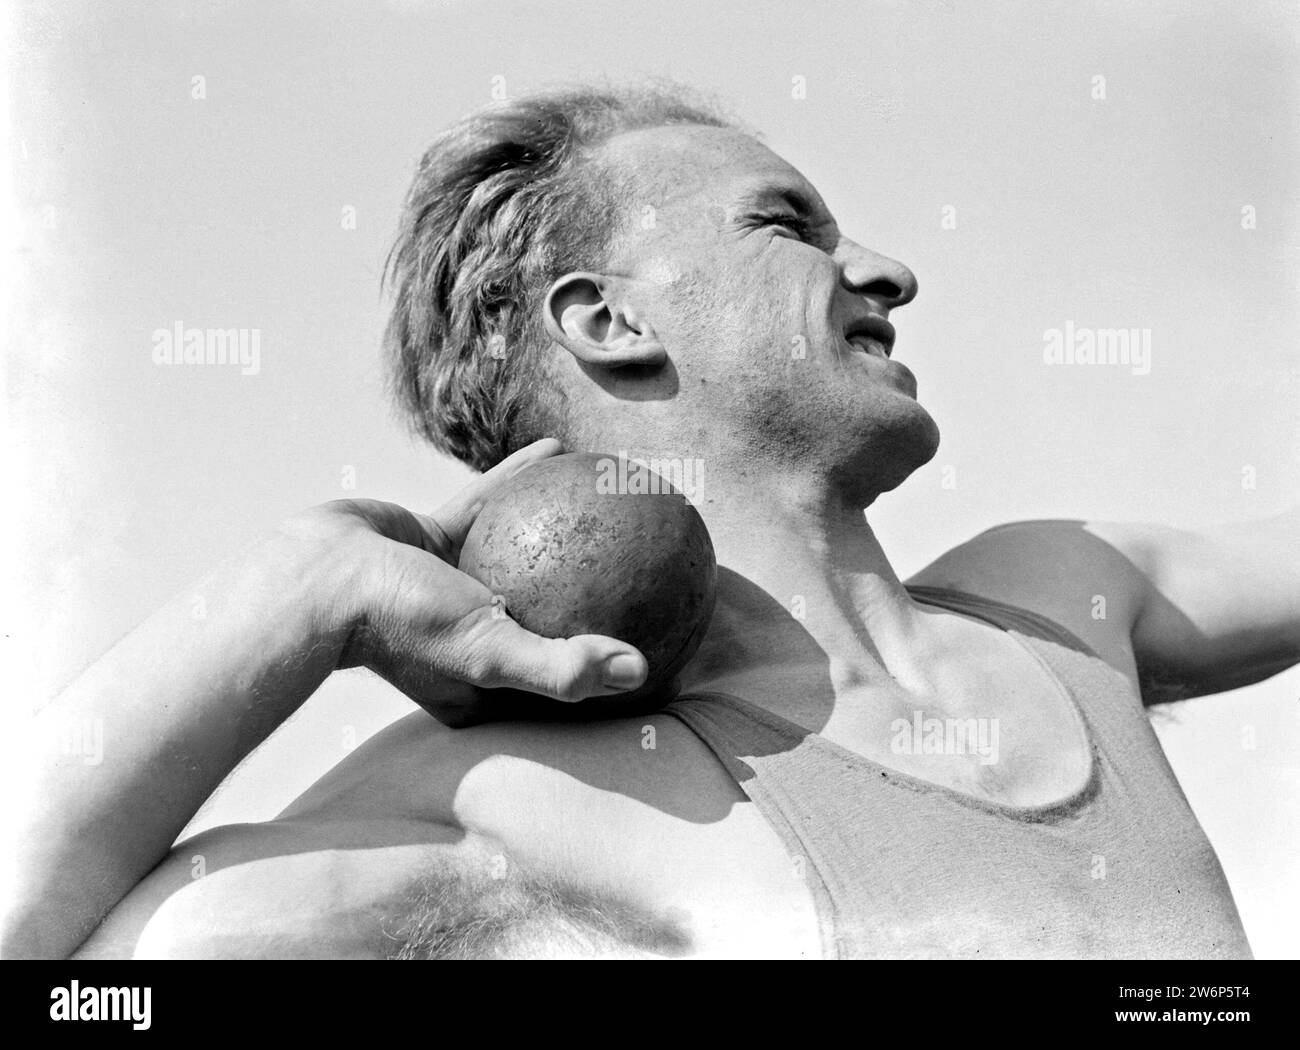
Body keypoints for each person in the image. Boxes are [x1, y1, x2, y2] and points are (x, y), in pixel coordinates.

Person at [6, 86, 1296, 959]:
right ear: (609, 323)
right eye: (787, 226)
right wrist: (301, 587)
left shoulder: (1063, 589)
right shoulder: (531, 799)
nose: (888, 272)